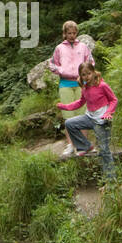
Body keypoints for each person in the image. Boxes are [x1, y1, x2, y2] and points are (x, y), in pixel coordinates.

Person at [57, 62, 117, 182]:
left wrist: (109, 112)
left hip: (102, 121)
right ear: (81, 76)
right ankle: (85, 146)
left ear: (93, 72)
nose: (87, 76)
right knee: (70, 123)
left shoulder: (102, 85)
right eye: (84, 74)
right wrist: (66, 106)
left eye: (89, 73)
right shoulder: (85, 88)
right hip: (89, 118)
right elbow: (80, 102)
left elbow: (113, 100)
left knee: (104, 150)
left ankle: (111, 180)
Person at [48, 21, 95, 157]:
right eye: (69, 33)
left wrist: (87, 75)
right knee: (68, 116)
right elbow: (52, 64)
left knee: (83, 115)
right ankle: (70, 145)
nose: (72, 36)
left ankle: (84, 144)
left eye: (74, 33)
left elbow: (91, 62)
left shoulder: (84, 47)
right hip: (65, 84)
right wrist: (62, 70)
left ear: (77, 33)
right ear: (64, 34)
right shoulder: (59, 48)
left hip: (82, 84)